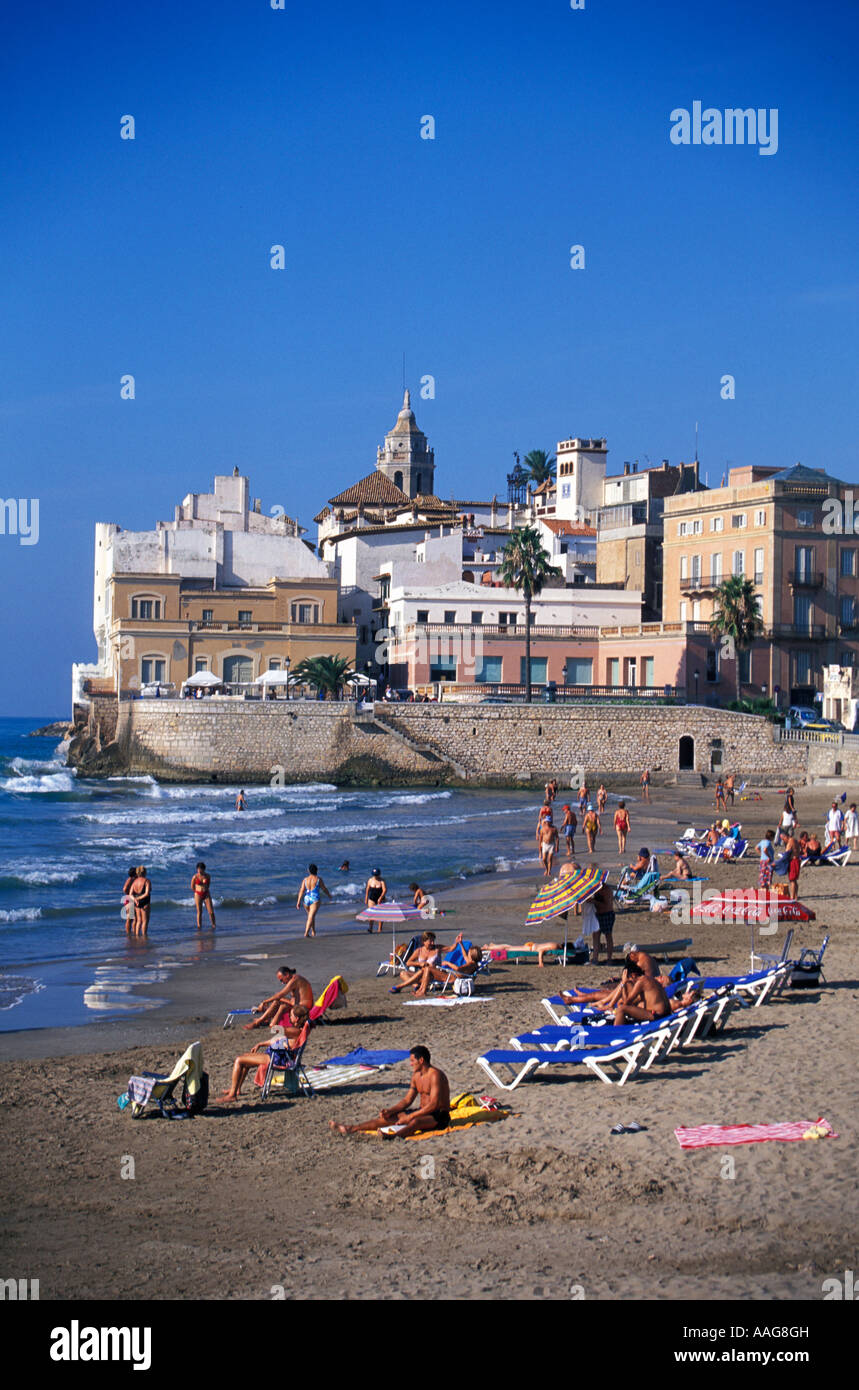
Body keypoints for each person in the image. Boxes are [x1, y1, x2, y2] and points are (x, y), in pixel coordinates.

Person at [329, 1045, 451, 1138]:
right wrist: (391, 1111)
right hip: (422, 1112)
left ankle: (393, 1136)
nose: (410, 1064)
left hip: (439, 1115)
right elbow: (407, 1100)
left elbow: (433, 1104)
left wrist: (409, 1117)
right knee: (391, 1117)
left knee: (415, 1121)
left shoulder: (435, 1075)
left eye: (412, 1061)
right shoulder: (416, 1076)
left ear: (421, 1060)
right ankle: (352, 1128)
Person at [218, 1005, 310, 1102]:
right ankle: (236, 1089)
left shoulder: (294, 1031)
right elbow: (278, 1039)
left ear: (296, 1018)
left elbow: (273, 1027)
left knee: (239, 1060)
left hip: (277, 1059)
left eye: (290, 1015)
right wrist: (260, 1044)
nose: (289, 1017)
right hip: (280, 1057)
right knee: (245, 1057)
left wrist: (280, 1011)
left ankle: (232, 1095)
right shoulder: (298, 1031)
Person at [243, 965, 313, 1030]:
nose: (282, 983)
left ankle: (262, 1022)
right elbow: (290, 999)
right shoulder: (294, 979)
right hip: (298, 1004)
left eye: (281, 980)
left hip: (304, 1007)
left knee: (281, 1004)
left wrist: (264, 1002)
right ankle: (264, 1020)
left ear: (287, 974)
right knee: (277, 1001)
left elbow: (281, 994)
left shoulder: (295, 980)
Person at [297, 864, 331, 936]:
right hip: (315, 899)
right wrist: (329, 895)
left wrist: (298, 901)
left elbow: (301, 890)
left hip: (306, 899)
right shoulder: (318, 879)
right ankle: (306, 933)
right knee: (311, 916)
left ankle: (313, 931)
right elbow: (324, 889)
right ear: (316, 870)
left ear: (309, 871)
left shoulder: (305, 879)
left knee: (311, 916)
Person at [590, 878, 615, 965]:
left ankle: (609, 959)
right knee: (595, 936)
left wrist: (594, 901)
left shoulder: (607, 890)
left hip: (607, 914)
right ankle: (595, 959)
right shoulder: (596, 889)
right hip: (598, 914)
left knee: (608, 936)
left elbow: (606, 905)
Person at [191, 861, 216, 930]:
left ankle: (213, 925)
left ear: (203, 869)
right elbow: (192, 886)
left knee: (211, 911)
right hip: (198, 894)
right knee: (199, 911)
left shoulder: (207, 876)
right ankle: (199, 926)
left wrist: (205, 888)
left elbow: (208, 885)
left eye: (200, 869)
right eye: (198, 869)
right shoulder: (195, 877)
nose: (199, 871)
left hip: (206, 893)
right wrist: (197, 891)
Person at [364, 868, 387, 933]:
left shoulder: (382, 881)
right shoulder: (370, 880)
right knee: (371, 913)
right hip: (372, 898)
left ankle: (380, 928)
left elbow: (385, 890)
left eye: (376, 875)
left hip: (380, 898)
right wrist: (366, 897)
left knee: (381, 914)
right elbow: (367, 889)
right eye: (374, 875)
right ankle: (370, 927)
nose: (375, 876)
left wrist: (380, 897)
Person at [129, 866, 151, 936]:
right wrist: (139, 898)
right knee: (145, 921)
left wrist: (135, 899)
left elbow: (130, 894)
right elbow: (147, 893)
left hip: (137, 903)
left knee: (138, 921)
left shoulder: (135, 881)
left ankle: (137, 936)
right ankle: (144, 936)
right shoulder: (147, 881)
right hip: (145, 901)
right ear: (144, 872)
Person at [785, 830, 802, 900]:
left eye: (783, 839)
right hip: (796, 860)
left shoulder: (790, 841)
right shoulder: (794, 840)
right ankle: (796, 895)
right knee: (794, 880)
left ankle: (792, 896)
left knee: (792, 880)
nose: (783, 841)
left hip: (794, 860)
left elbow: (787, 852)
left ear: (786, 837)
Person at [122, 866, 137, 934]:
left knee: (134, 917)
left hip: (130, 899)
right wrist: (129, 894)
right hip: (129, 899)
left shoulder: (133, 879)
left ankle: (133, 931)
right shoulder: (130, 879)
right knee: (129, 918)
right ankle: (128, 932)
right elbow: (124, 889)